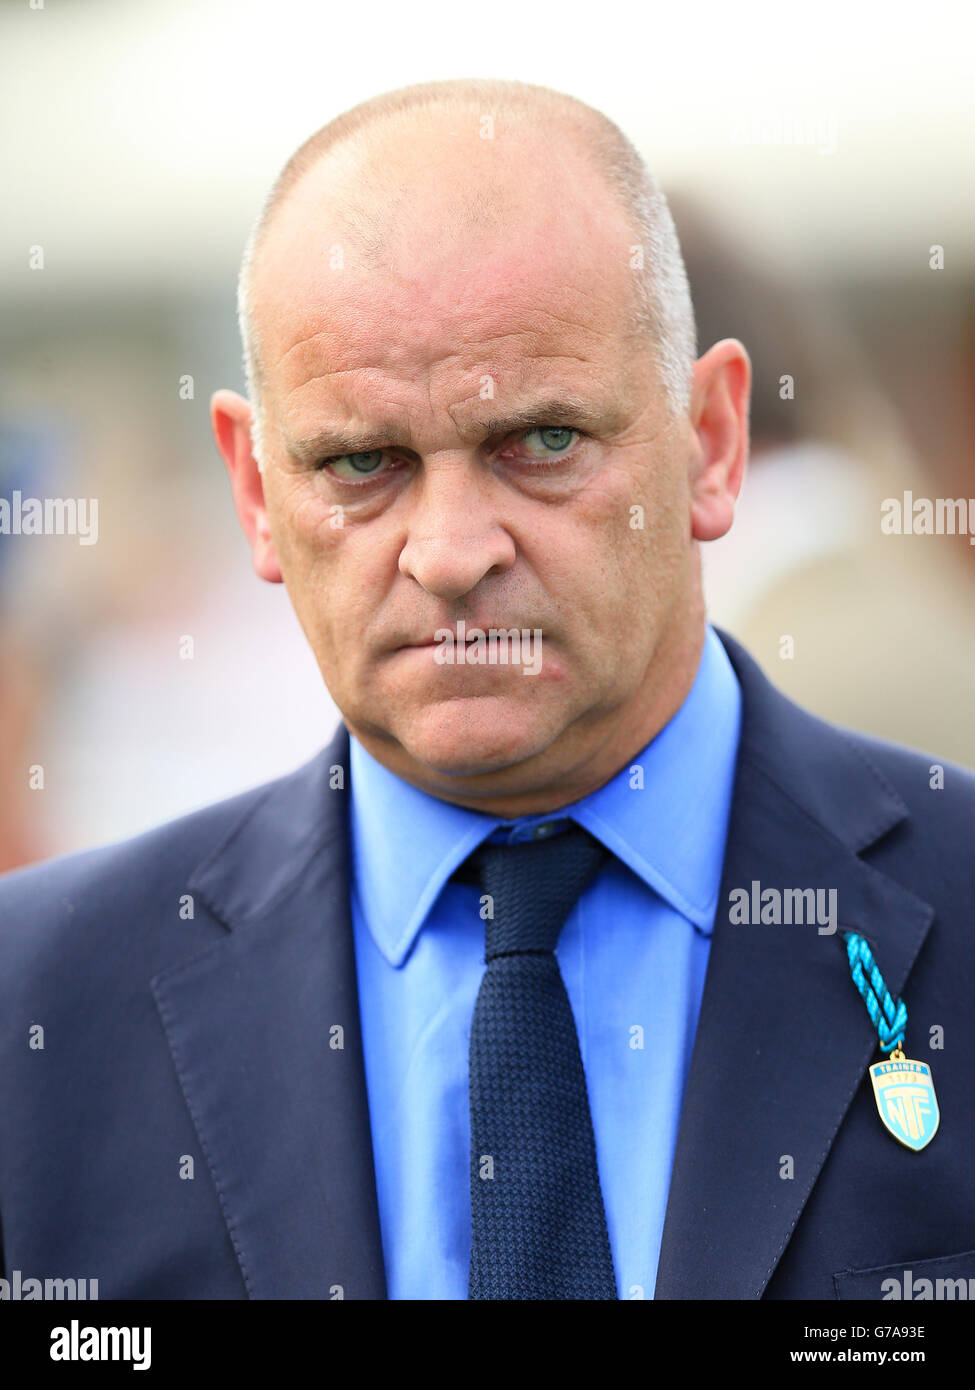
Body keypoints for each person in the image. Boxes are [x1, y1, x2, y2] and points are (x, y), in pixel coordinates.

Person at [1, 79, 973, 1303]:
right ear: (255, 491)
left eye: (543, 442)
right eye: (363, 462)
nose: (451, 550)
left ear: (712, 442)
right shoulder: (36, 1010)